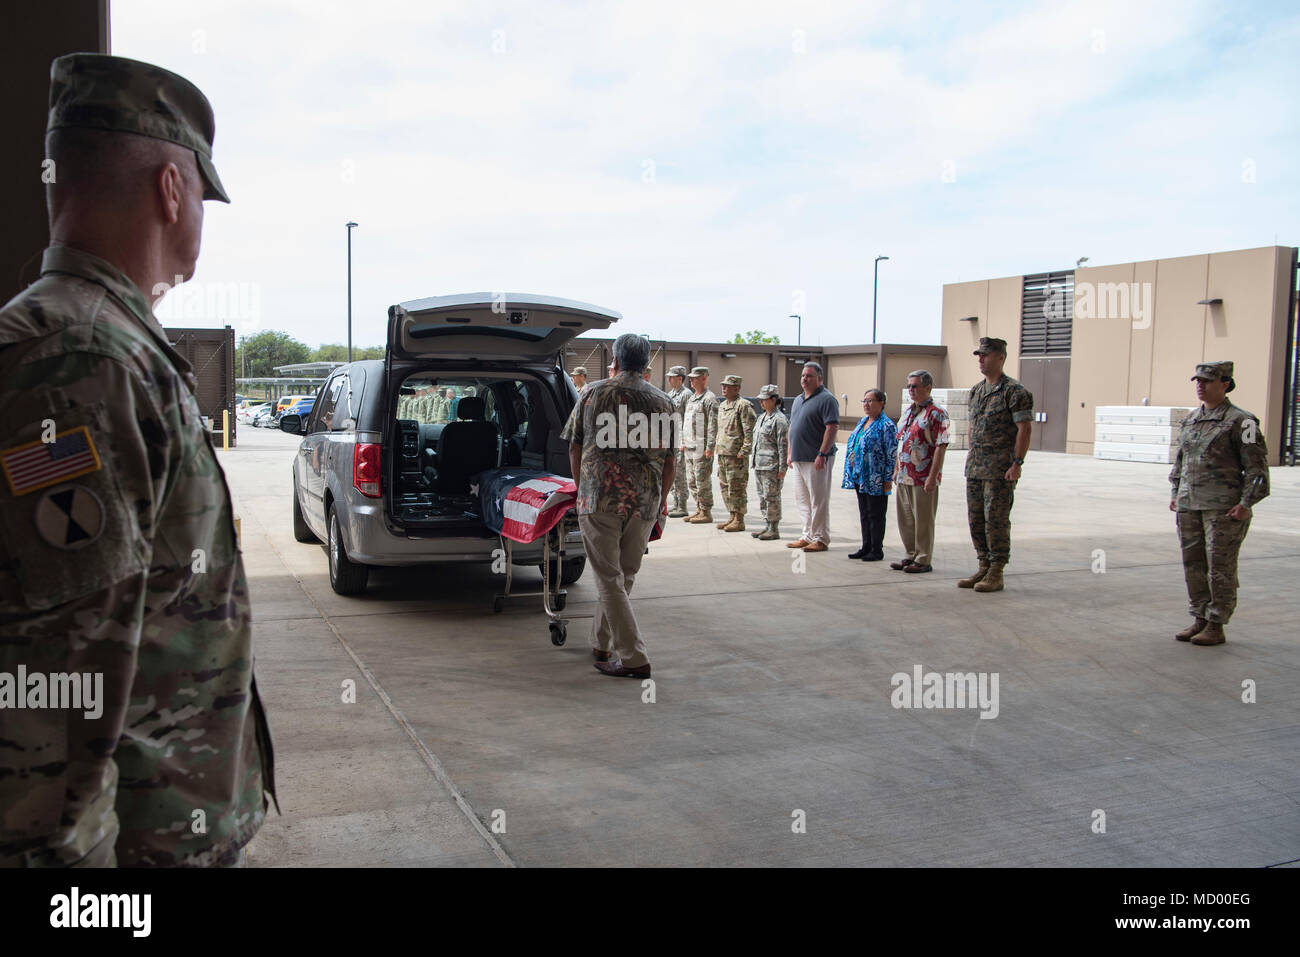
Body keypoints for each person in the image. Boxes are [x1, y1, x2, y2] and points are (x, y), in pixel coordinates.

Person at [0, 54, 274, 867]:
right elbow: (53, 714)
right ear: (170, 189)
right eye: (203, 195)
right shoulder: (84, 362)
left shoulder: (103, 345)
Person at [561, 333, 675, 678]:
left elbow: (574, 447)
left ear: (615, 358)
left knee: (609, 579)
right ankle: (601, 643)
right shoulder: (664, 402)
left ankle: (635, 658)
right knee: (623, 576)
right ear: (647, 363)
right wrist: (661, 500)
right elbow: (671, 461)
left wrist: (584, 490)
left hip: (600, 499)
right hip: (644, 502)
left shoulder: (594, 393)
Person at [1169, 361, 1269, 646]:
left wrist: (1247, 502)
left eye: (1207, 381)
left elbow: (1257, 468)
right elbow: (1181, 460)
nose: (1200, 386)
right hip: (1190, 504)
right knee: (1193, 564)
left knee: (1220, 567)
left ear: (1225, 384)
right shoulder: (1191, 419)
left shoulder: (1243, 421)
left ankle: (1216, 623)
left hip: (1224, 508)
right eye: (1197, 381)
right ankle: (1199, 616)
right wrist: (1176, 491)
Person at [960, 337, 1033, 593]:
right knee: (976, 519)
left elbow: (1024, 429)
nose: (981, 359)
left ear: (1000, 357)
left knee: (996, 520)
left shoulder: (1015, 392)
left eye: (986, 355)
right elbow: (973, 427)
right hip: (976, 468)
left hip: (1000, 470)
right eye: (979, 355)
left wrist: (1017, 463)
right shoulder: (976, 391)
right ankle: (983, 564)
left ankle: (997, 570)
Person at [891, 371, 950, 573]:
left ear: (928, 387)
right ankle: (910, 554)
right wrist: (896, 468)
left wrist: (933, 477)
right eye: (909, 386)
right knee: (906, 518)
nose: (911, 390)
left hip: (923, 475)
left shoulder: (937, 413)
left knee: (923, 519)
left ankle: (923, 558)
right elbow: (901, 441)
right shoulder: (909, 412)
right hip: (904, 474)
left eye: (915, 386)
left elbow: (941, 446)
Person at [785, 361, 840, 552]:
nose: (804, 379)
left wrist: (822, 453)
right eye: (803, 375)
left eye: (809, 376)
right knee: (803, 500)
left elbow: (831, 427)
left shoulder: (827, 399)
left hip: (816, 459)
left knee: (818, 500)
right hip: (799, 458)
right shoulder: (799, 399)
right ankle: (807, 535)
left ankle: (820, 538)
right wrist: (790, 453)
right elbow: (792, 427)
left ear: (819, 378)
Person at [843, 389, 898, 561]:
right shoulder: (863, 421)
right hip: (861, 475)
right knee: (864, 512)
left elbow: (891, 453)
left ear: (881, 403)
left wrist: (888, 478)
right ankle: (866, 546)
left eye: (871, 401)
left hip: (877, 477)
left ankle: (876, 549)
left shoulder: (886, 425)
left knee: (876, 513)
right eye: (864, 401)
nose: (866, 404)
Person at [714, 374, 756, 532]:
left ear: (737, 388)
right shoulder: (723, 405)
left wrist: (745, 450)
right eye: (723, 385)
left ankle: (739, 519)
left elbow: (749, 430)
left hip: (736, 454)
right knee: (725, 486)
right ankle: (732, 515)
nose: (724, 388)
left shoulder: (743, 405)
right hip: (723, 452)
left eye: (728, 386)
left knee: (737, 487)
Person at [751, 385, 789, 540]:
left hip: (771, 466)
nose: (761, 403)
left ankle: (774, 528)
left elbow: (783, 445)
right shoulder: (762, 418)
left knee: (771, 496)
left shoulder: (779, 420)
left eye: (764, 400)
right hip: (760, 464)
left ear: (774, 400)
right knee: (762, 496)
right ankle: (767, 525)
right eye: (760, 400)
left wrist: (782, 468)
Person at [682, 366, 719, 524]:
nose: (691, 380)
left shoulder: (709, 398)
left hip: (701, 446)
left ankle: (706, 511)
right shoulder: (692, 398)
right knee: (692, 480)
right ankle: (698, 509)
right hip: (690, 445)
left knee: (702, 480)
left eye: (694, 377)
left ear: (704, 378)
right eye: (690, 377)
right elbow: (687, 421)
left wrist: (710, 447)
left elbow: (713, 424)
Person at [664, 365, 692, 517]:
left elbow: (689, 419)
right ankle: (676, 502)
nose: (669, 379)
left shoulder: (686, 395)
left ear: (680, 378)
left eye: (672, 377)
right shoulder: (671, 394)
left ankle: (682, 504)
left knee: (680, 472)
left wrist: (685, 440)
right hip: (672, 437)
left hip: (680, 437)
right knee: (673, 471)